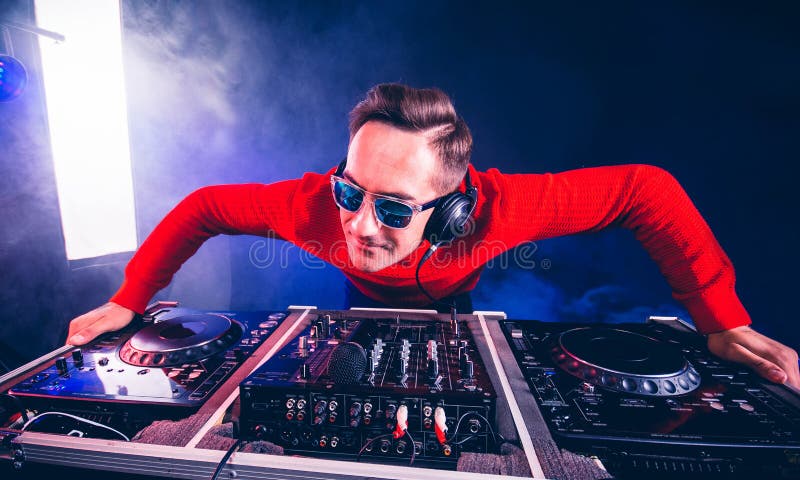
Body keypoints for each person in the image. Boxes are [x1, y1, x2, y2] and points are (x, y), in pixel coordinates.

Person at [66, 83, 799, 389]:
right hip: (362, 301)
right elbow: (202, 207)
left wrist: (721, 320)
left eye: (393, 207)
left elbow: (648, 189)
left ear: (451, 209)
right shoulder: (310, 208)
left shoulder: (507, 210)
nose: (355, 224)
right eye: (351, 191)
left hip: (458, 293)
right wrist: (131, 300)